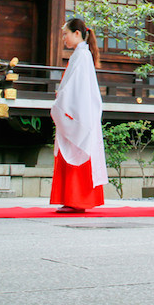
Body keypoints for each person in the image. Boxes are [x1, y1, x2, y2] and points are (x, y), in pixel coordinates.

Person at [50, 17, 108, 213]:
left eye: (66, 33)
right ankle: (72, 199)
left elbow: (76, 88)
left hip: (78, 112)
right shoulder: (81, 54)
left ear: (77, 33)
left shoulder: (82, 56)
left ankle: (76, 200)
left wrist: (62, 100)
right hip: (77, 111)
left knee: (76, 150)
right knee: (74, 150)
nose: (64, 37)